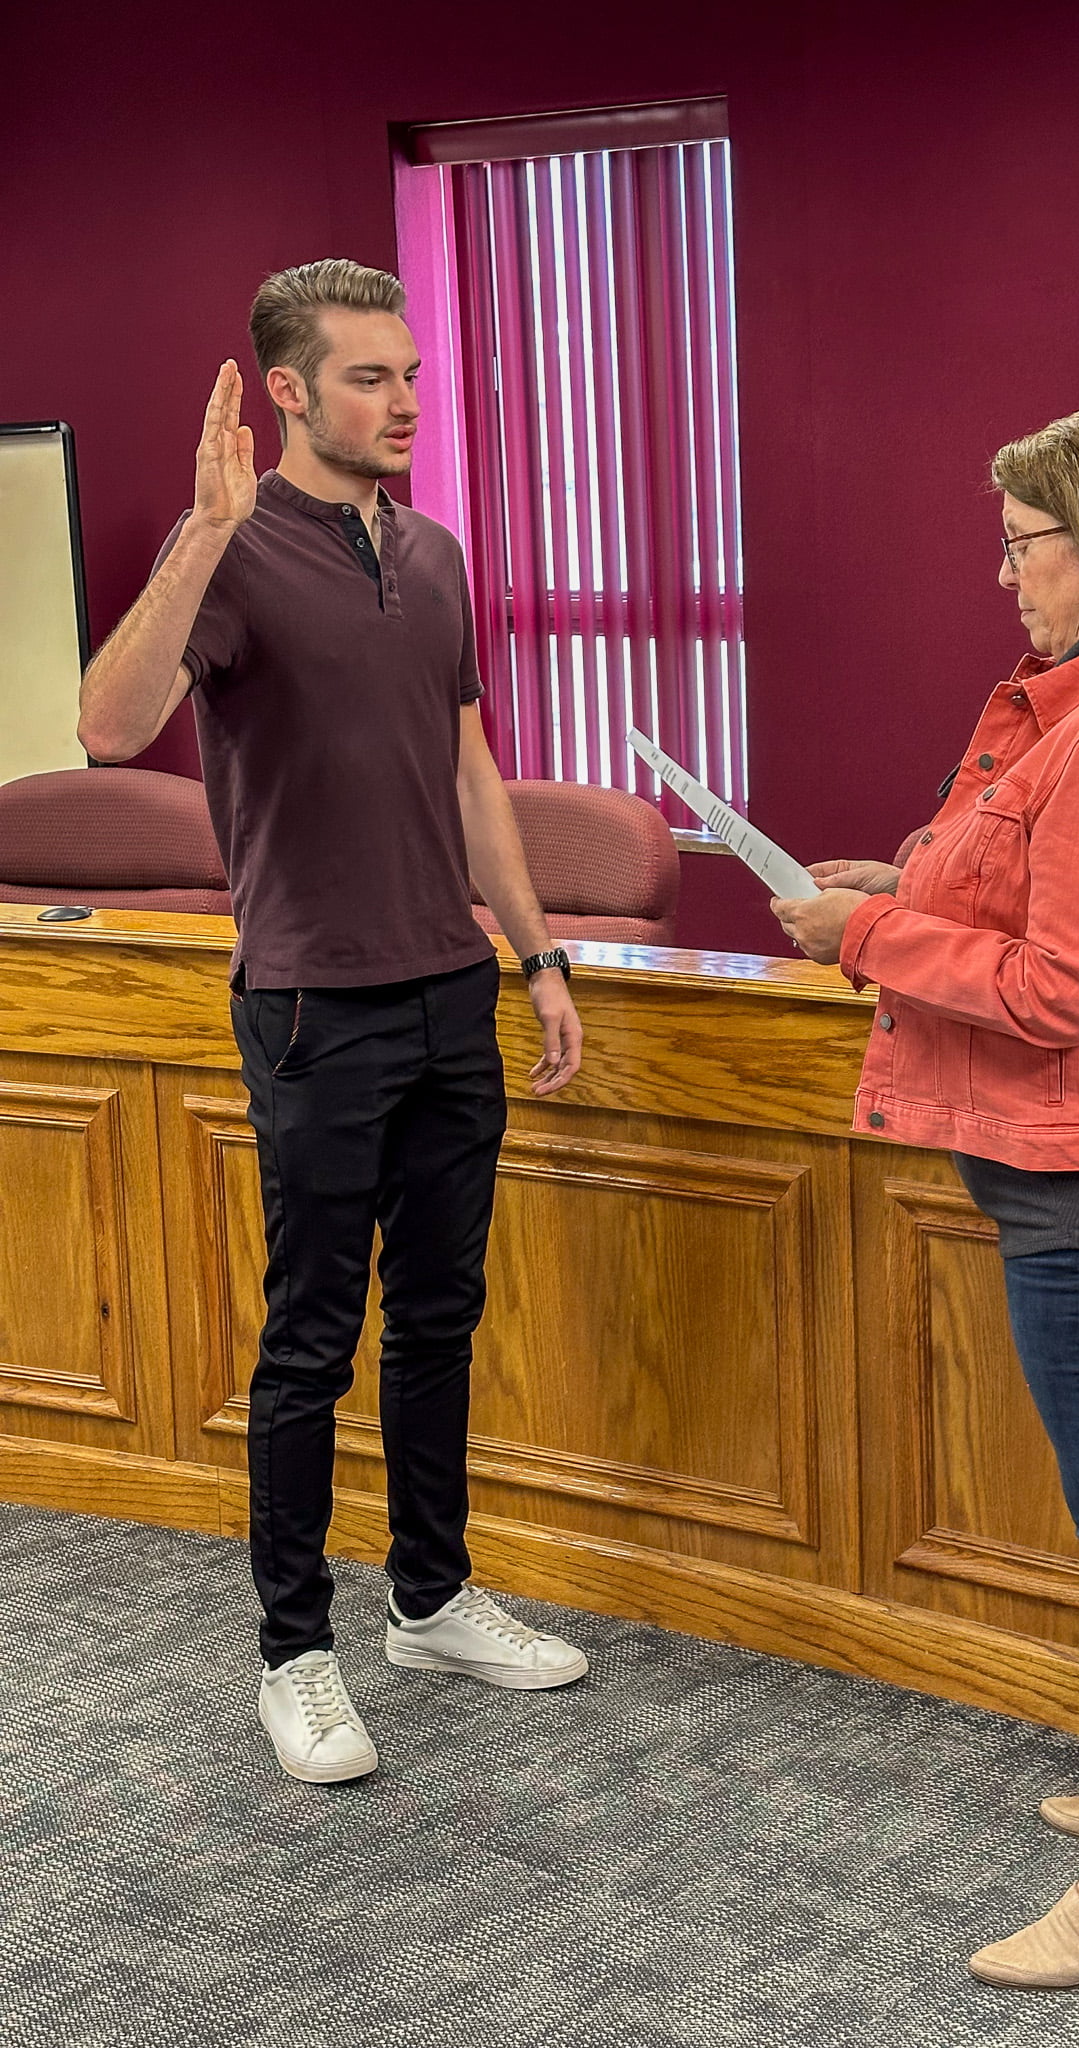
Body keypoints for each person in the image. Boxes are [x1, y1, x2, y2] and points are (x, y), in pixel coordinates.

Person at [774, 407, 1079, 1990]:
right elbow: (1039, 884)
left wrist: (857, 944)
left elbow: (1065, 987)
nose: (1001, 576)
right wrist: (902, 889)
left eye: (1021, 542)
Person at [77, 260, 590, 1784]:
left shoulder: (429, 554)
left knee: (442, 1319)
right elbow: (107, 729)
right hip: (311, 1001)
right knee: (312, 1338)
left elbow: (467, 774)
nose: (407, 402)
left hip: (447, 992)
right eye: (371, 378)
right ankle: (293, 1653)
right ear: (289, 391)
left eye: (413, 374)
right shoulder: (224, 554)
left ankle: (428, 1597)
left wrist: (536, 956)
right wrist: (207, 534)